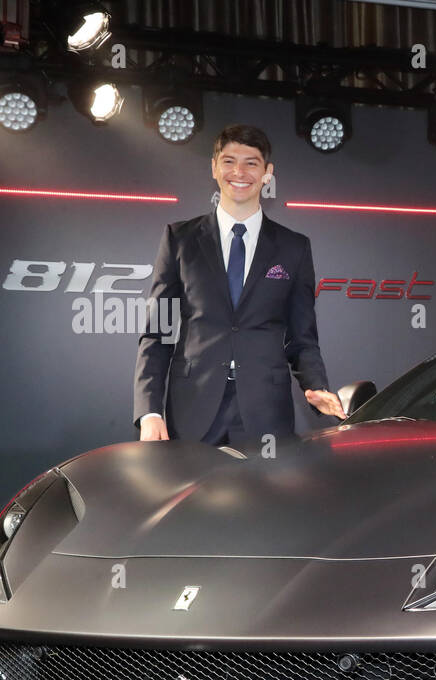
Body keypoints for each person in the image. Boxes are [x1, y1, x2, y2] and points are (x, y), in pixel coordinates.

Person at [133, 123, 344, 447]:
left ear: (267, 172)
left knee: (267, 499)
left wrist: (315, 386)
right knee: (191, 499)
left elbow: (302, 338)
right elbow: (157, 332)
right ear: (214, 167)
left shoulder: (294, 247)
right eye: (229, 161)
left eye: (251, 162)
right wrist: (149, 411)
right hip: (193, 408)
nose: (240, 172)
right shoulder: (180, 239)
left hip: (266, 411)